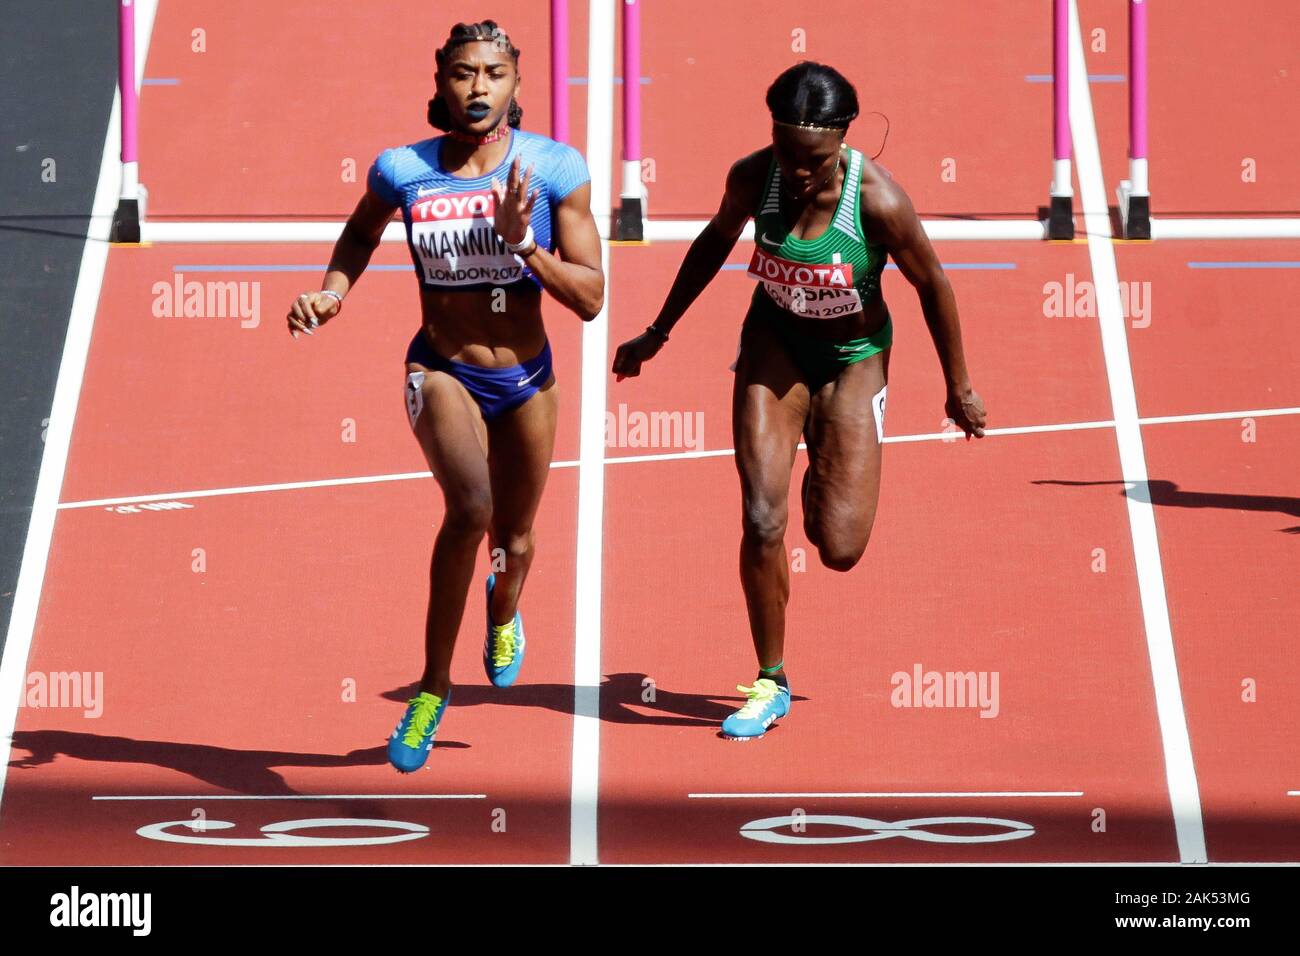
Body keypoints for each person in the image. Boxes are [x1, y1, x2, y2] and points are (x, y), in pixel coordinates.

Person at [612, 61, 986, 740]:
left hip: (853, 359)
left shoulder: (878, 202)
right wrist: (658, 332)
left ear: (844, 137)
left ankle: (830, 444)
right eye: (786, 152)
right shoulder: (756, 176)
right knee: (761, 518)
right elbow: (713, 242)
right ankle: (769, 679)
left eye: (813, 158)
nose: (799, 170)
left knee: (838, 547)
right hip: (774, 347)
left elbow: (933, 285)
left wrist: (957, 386)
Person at [285, 20, 603, 771]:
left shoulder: (555, 170)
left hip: (526, 380)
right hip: (441, 369)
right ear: (441, 86)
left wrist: (524, 243)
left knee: (514, 542)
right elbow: (360, 234)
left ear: (517, 85)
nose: (478, 87)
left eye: (493, 73)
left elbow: (591, 298)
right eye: (463, 74)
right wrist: (333, 293)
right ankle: (433, 689)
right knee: (470, 509)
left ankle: (504, 611)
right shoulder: (404, 170)